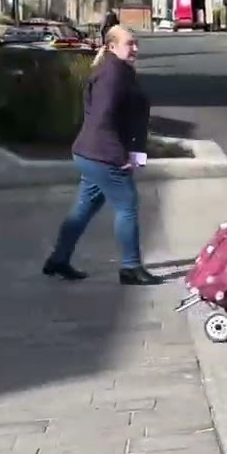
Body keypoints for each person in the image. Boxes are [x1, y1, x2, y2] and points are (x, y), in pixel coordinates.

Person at [42, 25, 162, 285]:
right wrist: (120, 157)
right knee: (127, 205)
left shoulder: (118, 69)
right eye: (130, 44)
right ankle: (131, 267)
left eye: (136, 43)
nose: (135, 48)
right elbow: (102, 119)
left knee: (83, 209)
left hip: (93, 152)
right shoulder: (112, 74)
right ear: (111, 46)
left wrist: (134, 154)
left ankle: (59, 260)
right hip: (103, 154)